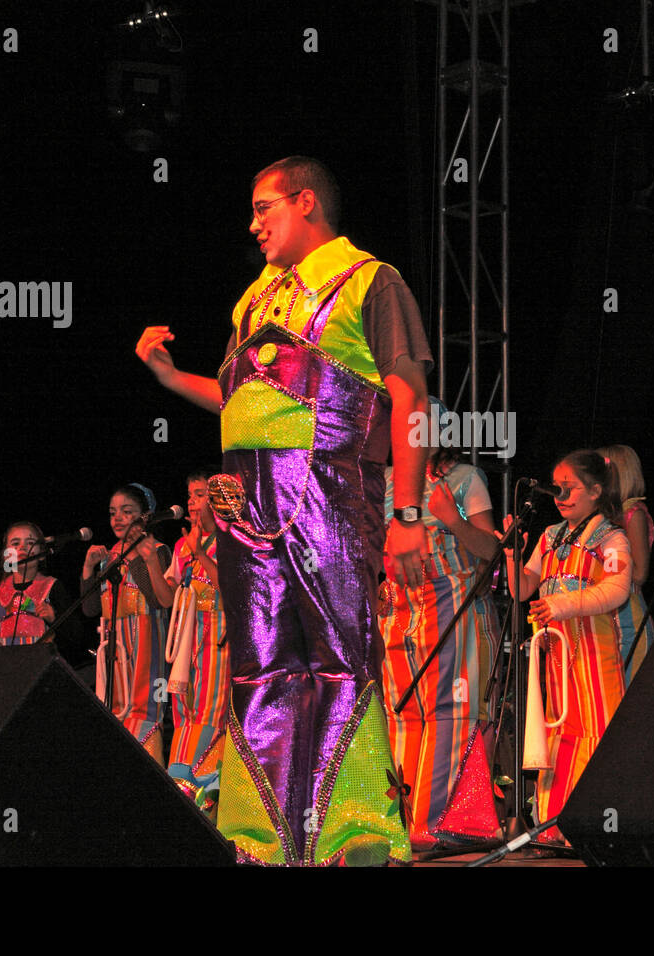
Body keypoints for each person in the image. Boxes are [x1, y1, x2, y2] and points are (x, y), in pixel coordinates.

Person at [135, 156, 430, 866]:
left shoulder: (371, 280)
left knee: (338, 656)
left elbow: (412, 399)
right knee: (258, 666)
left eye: (264, 208)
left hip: (330, 487)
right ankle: (258, 836)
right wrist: (172, 379)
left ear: (306, 204)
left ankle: (353, 830)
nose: (254, 222)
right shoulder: (253, 300)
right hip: (244, 499)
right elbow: (240, 400)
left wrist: (409, 511)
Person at [378, 441, 500, 851]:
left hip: (452, 606)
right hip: (400, 608)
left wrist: (454, 520)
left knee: (450, 713)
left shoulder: (464, 479)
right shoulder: (383, 482)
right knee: (401, 713)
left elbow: (490, 551)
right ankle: (400, 821)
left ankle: (437, 824)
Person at [504, 450, 631, 844]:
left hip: (594, 652)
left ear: (595, 491)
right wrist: (512, 552)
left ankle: (597, 826)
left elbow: (617, 589)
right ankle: (554, 825)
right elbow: (521, 589)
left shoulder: (610, 537)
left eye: (569, 486)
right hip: (557, 657)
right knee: (561, 732)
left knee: (597, 730)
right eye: (556, 486)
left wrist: (560, 605)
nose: (559, 493)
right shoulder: (550, 536)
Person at [82, 484, 173, 761]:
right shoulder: (108, 556)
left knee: (143, 716)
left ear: (145, 516)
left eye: (127, 511)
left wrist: (136, 558)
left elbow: (160, 601)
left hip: (147, 646)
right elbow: (90, 608)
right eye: (113, 513)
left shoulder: (158, 550)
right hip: (115, 649)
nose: (117, 518)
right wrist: (88, 568)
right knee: (115, 713)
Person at [163, 472, 231, 791]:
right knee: (184, 710)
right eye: (189, 494)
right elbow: (166, 597)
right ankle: (178, 779)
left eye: (200, 494)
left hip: (216, 642)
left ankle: (204, 789)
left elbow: (230, 589)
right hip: (185, 647)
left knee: (209, 712)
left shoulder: (230, 541)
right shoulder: (180, 546)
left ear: (216, 501)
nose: (191, 501)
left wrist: (200, 553)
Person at [598, 444, 654, 685]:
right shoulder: (599, 516)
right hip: (603, 615)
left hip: (628, 616)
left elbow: (640, 573)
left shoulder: (633, 513)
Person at [0, 522, 69, 647]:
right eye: (15, 543)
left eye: (30, 543)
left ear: (42, 553)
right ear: (6, 555)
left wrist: (54, 618)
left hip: (41, 662)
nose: (23, 547)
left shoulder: (52, 587)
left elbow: (75, 636)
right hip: (5, 662)